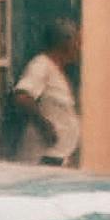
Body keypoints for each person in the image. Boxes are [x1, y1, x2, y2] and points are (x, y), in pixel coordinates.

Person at [8, 17, 84, 168]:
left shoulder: (57, 71)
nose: (79, 48)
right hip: (42, 158)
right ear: (64, 42)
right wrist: (44, 126)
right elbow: (22, 97)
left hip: (57, 158)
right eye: (77, 42)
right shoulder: (41, 65)